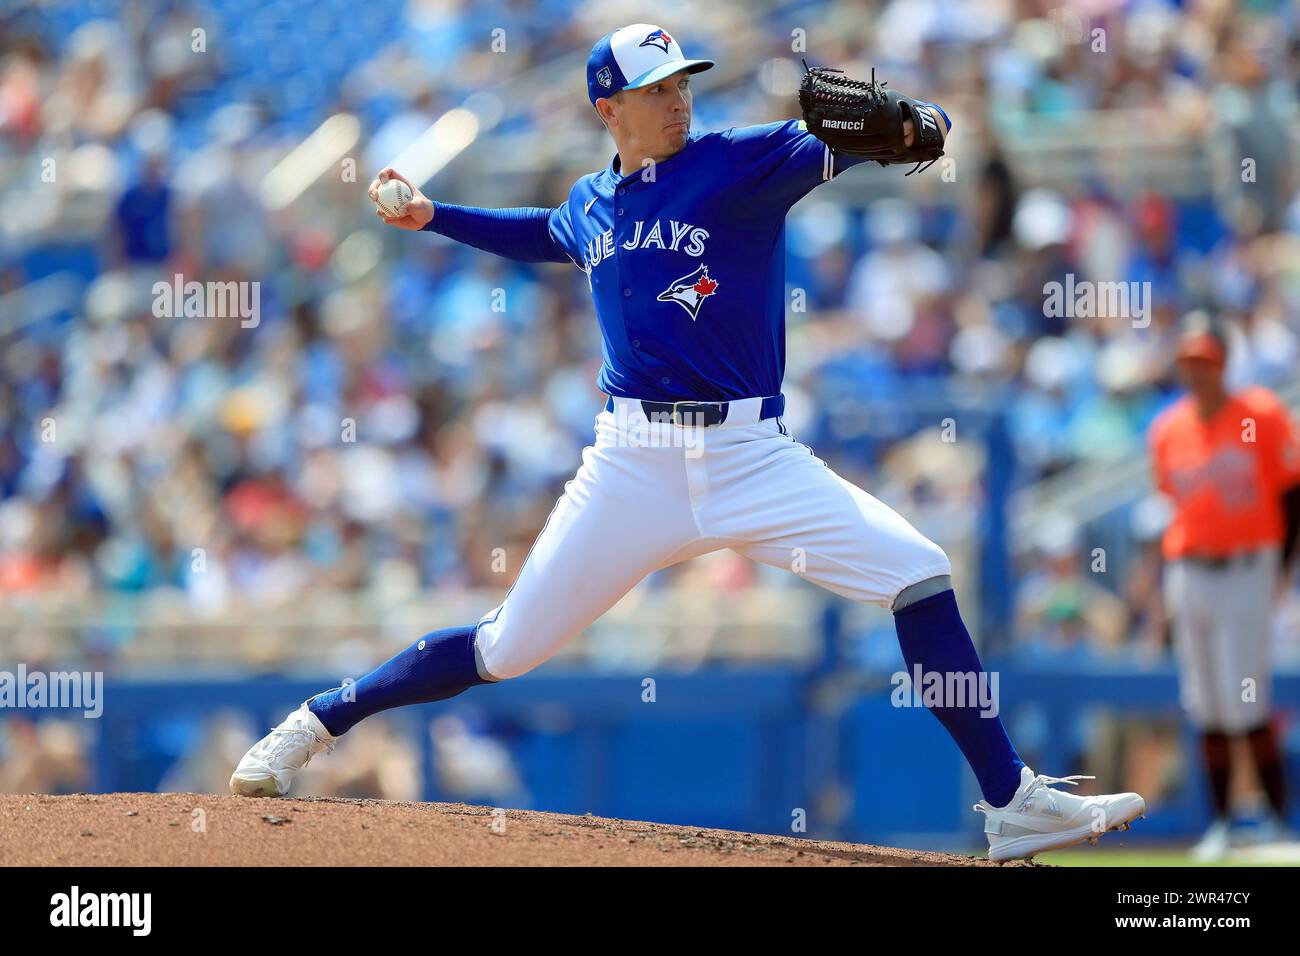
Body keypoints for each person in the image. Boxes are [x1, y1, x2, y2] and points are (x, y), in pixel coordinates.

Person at [230, 23, 1146, 862]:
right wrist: (436, 217)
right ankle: (316, 722)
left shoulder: (742, 162)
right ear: (609, 108)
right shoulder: (593, 204)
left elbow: (910, 134)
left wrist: (913, 123)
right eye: (657, 87)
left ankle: (1010, 801)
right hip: (631, 468)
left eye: (683, 82)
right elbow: (542, 233)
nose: (679, 98)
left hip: (754, 457)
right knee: (505, 649)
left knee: (918, 571)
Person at [1148, 311, 1300, 861]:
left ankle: (1281, 823)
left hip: (1247, 568)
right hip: (1190, 570)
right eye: (1188, 362)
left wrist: (1282, 567)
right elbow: (1172, 499)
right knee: (1206, 704)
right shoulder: (1168, 428)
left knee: (1247, 701)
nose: (1196, 372)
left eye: (1205, 362)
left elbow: (1291, 492)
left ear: (1223, 364)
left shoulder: (1258, 414)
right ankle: (1221, 824)